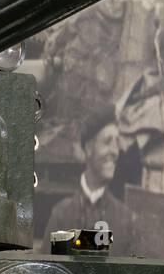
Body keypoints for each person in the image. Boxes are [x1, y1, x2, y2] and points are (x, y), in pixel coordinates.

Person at [42, 107, 135, 254]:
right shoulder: (61, 215)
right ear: (88, 148)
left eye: (117, 143)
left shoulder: (125, 220)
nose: (115, 151)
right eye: (107, 142)